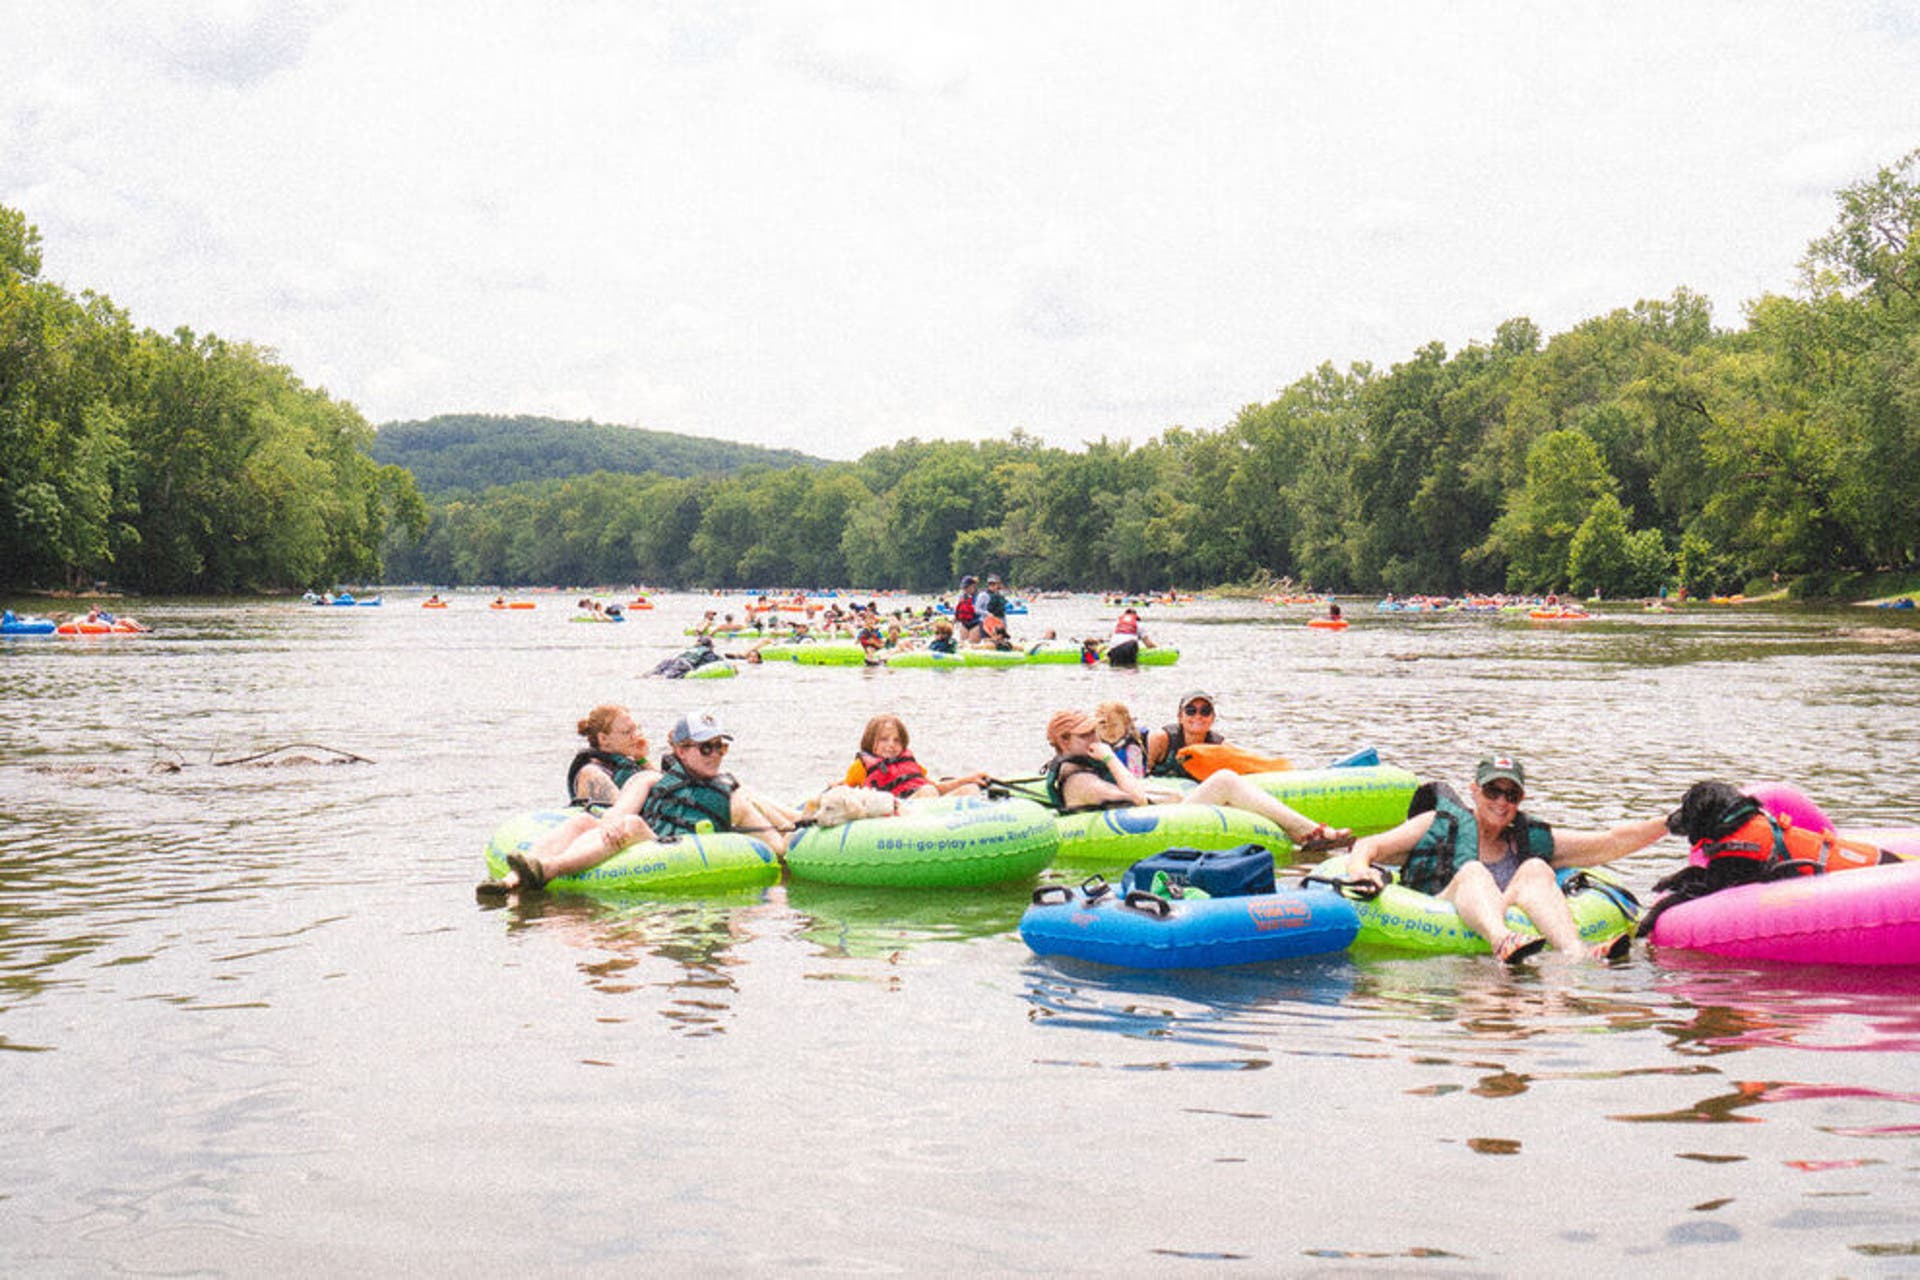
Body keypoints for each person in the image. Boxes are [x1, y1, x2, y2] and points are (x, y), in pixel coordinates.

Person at [1343, 756, 1670, 962]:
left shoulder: (1525, 838)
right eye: (1492, 792)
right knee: (1472, 871)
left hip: (1512, 916)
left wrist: (1669, 824)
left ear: (1520, 799)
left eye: (1510, 795)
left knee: (1536, 868)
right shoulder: (1438, 822)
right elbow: (1368, 846)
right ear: (1474, 790)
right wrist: (1360, 871)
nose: (1501, 802)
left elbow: (1608, 843)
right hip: (1443, 906)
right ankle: (1501, 940)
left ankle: (1577, 954)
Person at [1042, 708, 1350, 849]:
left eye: (1094, 731)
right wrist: (1110, 757)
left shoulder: (1077, 764)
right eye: (1085, 735)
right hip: (1141, 831)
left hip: (1149, 818)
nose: (1094, 738)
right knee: (1225, 781)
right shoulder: (1076, 778)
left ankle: (1303, 834)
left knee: (1215, 788)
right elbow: (1135, 799)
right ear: (1065, 741)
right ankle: (1309, 832)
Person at [844, 714, 989, 798]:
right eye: (884, 739)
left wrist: (968, 780)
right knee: (928, 791)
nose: (891, 745)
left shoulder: (910, 765)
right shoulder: (860, 767)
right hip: (899, 813)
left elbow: (936, 787)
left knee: (970, 789)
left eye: (897, 740)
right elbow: (844, 790)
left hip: (926, 802)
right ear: (870, 741)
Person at [567, 704, 651, 805]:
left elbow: (665, 789)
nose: (635, 737)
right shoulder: (592, 773)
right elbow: (621, 809)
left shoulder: (629, 765)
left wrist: (641, 759)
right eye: (626, 732)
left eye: (635, 729)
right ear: (603, 739)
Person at [1145, 690, 1226, 780]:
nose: (1198, 716)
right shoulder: (1161, 740)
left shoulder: (1220, 748)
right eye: (1190, 711)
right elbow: (1138, 774)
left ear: (1213, 718)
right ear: (1180, 717)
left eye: (1205, 711)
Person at [1094, 700, 1149, 777]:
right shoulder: (1095, 744)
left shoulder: (1133, 749)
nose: (1110, 731)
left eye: (1114, 725)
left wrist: (1107, 758)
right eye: (1104, 727)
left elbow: (1137, 778)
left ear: (1126, 724)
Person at [952, 576, 982, 642]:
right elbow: (958, 611)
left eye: (966, 587)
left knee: (972, 644)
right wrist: (952, 623)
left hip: (976, 623)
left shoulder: (980, 597)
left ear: (973, 586)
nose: (965, 590)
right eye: (964, 588)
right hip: (965, 624)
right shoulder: (961, 597)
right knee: (963, 644)